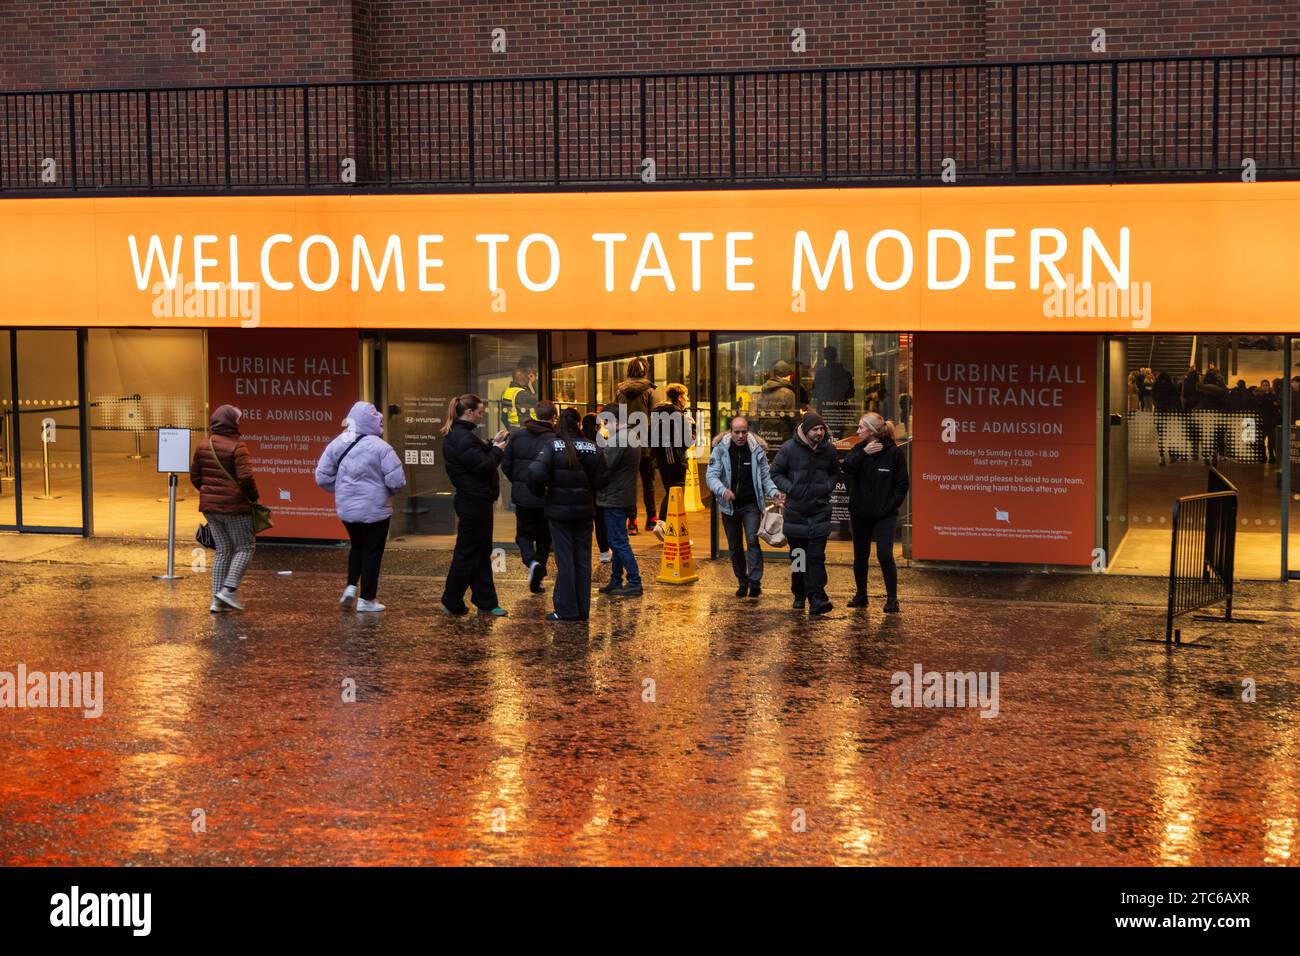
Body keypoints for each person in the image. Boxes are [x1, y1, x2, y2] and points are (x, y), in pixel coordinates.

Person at [315, 400, 407, 612]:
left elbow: (322, 477)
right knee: (373, 552)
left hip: (347, 508)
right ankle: (367, 599)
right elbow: (396, 481)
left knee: (357, 546)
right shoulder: (382, 447)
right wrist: (388, 492)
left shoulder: (337, 443)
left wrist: (340, 488)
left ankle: (350, 586)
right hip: (376, 509)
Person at [528, 407, 609, 622]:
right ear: (579, 424)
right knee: (583, 560)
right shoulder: (592, 447)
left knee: (565, 561)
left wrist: (544, 493)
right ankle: (583, 610)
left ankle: (566, 609)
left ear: (559, 424)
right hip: (584, 511)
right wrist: (589, 490)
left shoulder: (553, 445)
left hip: (559, 512)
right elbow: (603, 479)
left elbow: (535, 473)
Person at [440, 394, 509, 617]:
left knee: (479, 552)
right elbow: (483, 465)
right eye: (479, 412)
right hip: (474, 502)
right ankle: (452, 599)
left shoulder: (460, 436)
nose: (481, 416)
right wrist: (498, 449)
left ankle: (486, 600)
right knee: (469, 552)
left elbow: (474, 459)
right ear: (469, 413)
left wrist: (491, 443)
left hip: (473, 500)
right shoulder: (464, 438)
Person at [190, 404, 260, 612]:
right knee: (245, 547)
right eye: (236, 419)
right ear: (230, 422)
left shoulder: (203, 445)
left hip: (210, 508)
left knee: (222, 550)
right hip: (234, 507)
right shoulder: (238, 446)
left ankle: (216, 601)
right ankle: (228, 590)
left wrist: (209, 494)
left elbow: (195, 476)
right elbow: (246, 477)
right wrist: (253, 498)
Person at [770, 411, 840, 615]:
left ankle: (817, 597)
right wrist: (791, 488)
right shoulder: (789, 449)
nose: (819, 433)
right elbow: (775, 472)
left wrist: (827, 486)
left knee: (816, 557)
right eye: (815, 429)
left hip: (819, 511)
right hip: (796, 513)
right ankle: (799, 593)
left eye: (822, 429)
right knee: (799, 558)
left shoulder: (829, 450)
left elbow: (835, 472)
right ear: (805, 430)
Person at [707, 415, 781, 597]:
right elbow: (711, 476)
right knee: (735, 546)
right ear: (730, 431)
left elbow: (765, 476)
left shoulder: (757, 450)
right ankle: (742, 581)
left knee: (752, 540)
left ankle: (755, 582)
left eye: (744, 432)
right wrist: (723, 490)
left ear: (748, 431)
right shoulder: (720, 450)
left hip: (751, 505)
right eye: (737, 432)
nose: (741, 435)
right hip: (729, 506)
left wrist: (774, 493)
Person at [841, 412, 909, 612]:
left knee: (884, 554)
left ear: (871, 431)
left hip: (885, 514)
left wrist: (891, 504)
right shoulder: (859, 449)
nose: (858, 430)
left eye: (861, 427)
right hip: (860, 512)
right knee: (860, 555)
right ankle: (861, 596)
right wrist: (864, 453)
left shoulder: (894, 453)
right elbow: (846, 467)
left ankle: (892, 598)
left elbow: (902, 483)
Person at [501, 399, 557, 593]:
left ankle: (532, 564)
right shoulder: (555, 438)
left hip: (523, 495)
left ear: (534, 414)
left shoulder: (517, 436)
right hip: (546, 496)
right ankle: (538, 574)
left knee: (523, 534)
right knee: (544, 538)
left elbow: (506, 464)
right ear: (553, 417)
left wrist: (517, 480)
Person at [596, 411, 643, 597]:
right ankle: (616, 580)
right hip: (622, 494)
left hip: (615, 496)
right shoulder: (630, 435)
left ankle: (634, 580)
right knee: (617, 541)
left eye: (606, 422)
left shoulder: (619, 439)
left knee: (618, 541)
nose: (604, 426)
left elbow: (605, 464)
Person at [614, 356, 657, 535]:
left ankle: (632, 520)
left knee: (629, 482)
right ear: (645, 370)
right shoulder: (650, 391)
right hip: (645, 443)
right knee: (648, 482)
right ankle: (651, 519)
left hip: (625, 442)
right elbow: (656, 418)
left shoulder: (620, 391)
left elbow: (615, 416)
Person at [650, 383, 694, 525]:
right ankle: (665, 525)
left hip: (662, 460)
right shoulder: (677, 414)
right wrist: (692, 426)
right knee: (676, 493)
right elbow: (688, 440)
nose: (687, 398)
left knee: (670, 492)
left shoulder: (657, 413)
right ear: (680, 397)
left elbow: (650, 437)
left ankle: (665, 525)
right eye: (686, 395)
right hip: (675, 459)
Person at [582, 411, 612, 563]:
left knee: (584, 522)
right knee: (600, 521)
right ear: (595, 427)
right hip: (597, 488)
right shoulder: (602, 443)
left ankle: (583, 552)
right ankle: (604, 552)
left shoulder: (578, 442)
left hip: (581, 488)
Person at [500, 355, 538, 431]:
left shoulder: (507, 392)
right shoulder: (521, 394)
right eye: (528, 375)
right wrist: (534, 382)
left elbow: (504, 418)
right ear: (522, 376)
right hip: (525, 432)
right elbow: (541, 399)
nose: (529, 378)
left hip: (514, 431)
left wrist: (512, 429)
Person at [1151, 371, 1181, 465]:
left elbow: (1154, 400)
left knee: (1162, 436)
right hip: (1170, 414)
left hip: (1159, 413)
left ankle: (1161, 456)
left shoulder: (1156, 388)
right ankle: (1172, 455)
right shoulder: (1172, 388)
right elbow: (1176, 400)